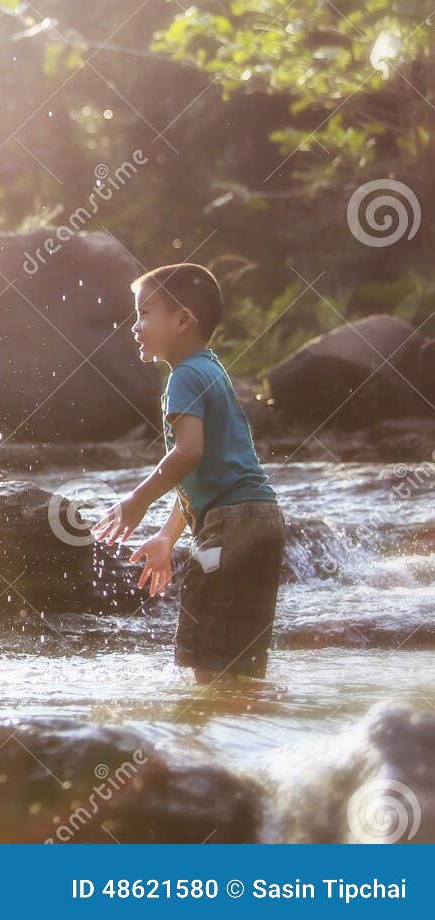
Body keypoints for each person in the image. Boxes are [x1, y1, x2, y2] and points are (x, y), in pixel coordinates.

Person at [93, 263, 285, 683]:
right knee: (243, 663)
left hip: (227, 531)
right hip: (261, 522)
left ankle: (207, 740)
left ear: (182, 320)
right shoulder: (211, 369)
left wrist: (136, 501)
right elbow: (207, 474)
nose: (135, 326)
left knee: (207, 660)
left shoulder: (183, 377)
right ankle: (259, 733)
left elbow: (188, 453)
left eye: (145, 313)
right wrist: (166, 535)